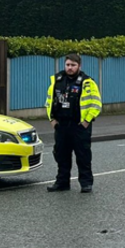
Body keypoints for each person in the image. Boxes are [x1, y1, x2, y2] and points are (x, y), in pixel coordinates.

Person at [44, 54, 102, 193]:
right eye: (68, 65)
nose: (70, 68)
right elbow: (49, 102)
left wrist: (86, 122)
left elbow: (96, 104)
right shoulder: (57, 80)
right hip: (61, 125)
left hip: (79, 126)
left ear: (79, 66)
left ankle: (86, 183)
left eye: (73, 65)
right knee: (61, 155)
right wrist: (52, 120)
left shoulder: (87, 82)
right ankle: (62, 182)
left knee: (83, 156)